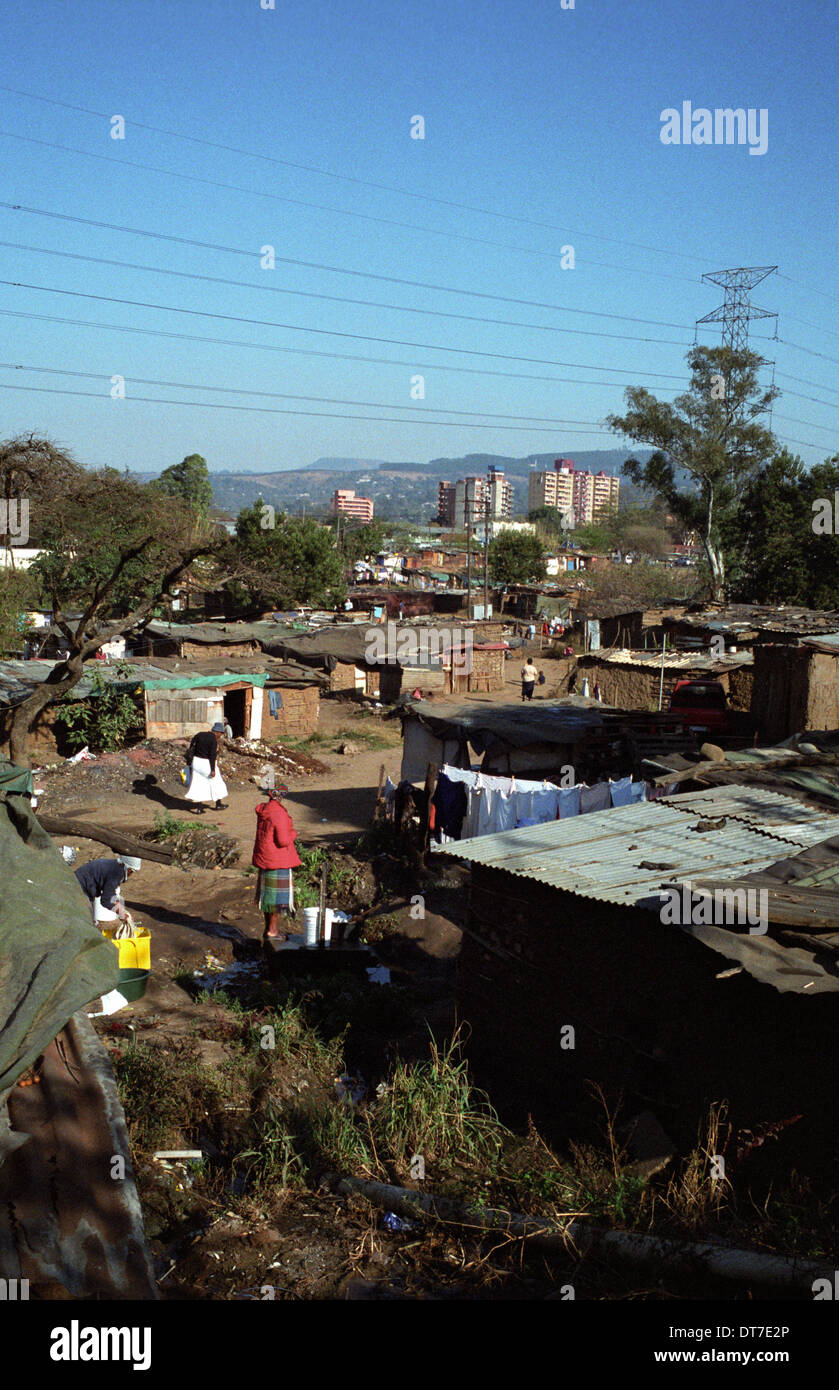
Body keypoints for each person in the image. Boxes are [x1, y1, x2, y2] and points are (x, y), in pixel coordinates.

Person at [252, 783, 301, 940]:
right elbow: (283, 840)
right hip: (277, 859)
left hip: (266, 857)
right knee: (276, 900)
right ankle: (272, 931)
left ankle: (268, 929)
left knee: (268, 898)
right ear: (280, 797)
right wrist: (293, 834)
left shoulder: (264, 810)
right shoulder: (278, 813)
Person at [75, 855, 141, 926]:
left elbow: (111, 892)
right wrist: (121, 912)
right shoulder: (117, 872)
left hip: (81, 883)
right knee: (85, 921)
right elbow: (106, 900)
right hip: (78, 887)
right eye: (131, 871)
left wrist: (121, 909)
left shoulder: (114, 866)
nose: (131, 874)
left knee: (88, 919)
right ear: (126, 867)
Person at [183, 724, 228, 813]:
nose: (220, 736)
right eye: (221, 734)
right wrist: (212, 770)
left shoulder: (199, 734)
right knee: (217, 782)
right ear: (218, 732)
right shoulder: (213, 740)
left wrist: (190, 763)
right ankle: (218, 804)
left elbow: (191, 747)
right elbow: (212, 755)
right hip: (206, 763)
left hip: (196, 762)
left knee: (199, 784)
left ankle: (199, 808)